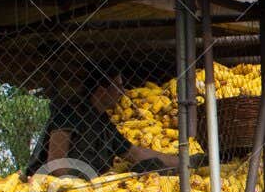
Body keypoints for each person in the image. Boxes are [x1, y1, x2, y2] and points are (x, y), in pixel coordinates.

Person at [27, 68, 177, 177]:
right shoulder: (70, 113)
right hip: (52, 187)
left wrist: (180, 161)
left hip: (88, 188)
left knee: (151, 166)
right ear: (101, 90)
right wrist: (76, 186)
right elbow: (56, 161)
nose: (123, 92)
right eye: (118, 86)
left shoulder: (104, 123)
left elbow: (136, 153)